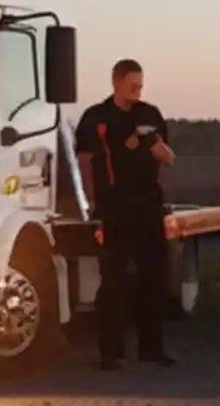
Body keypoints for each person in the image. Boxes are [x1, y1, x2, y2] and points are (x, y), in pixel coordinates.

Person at [75, 59, 179, 371]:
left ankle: (152, 349)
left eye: (141, 86)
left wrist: (153, 144)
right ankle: (112, 352)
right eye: (132, 85)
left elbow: (169, 159)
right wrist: (91, 203)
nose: (137, 91)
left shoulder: (150, 115)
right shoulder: (97, 118)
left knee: (154, 279)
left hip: (148, 207)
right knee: (113, 282)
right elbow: (85, 162)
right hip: (114, 209)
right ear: (116, 83)